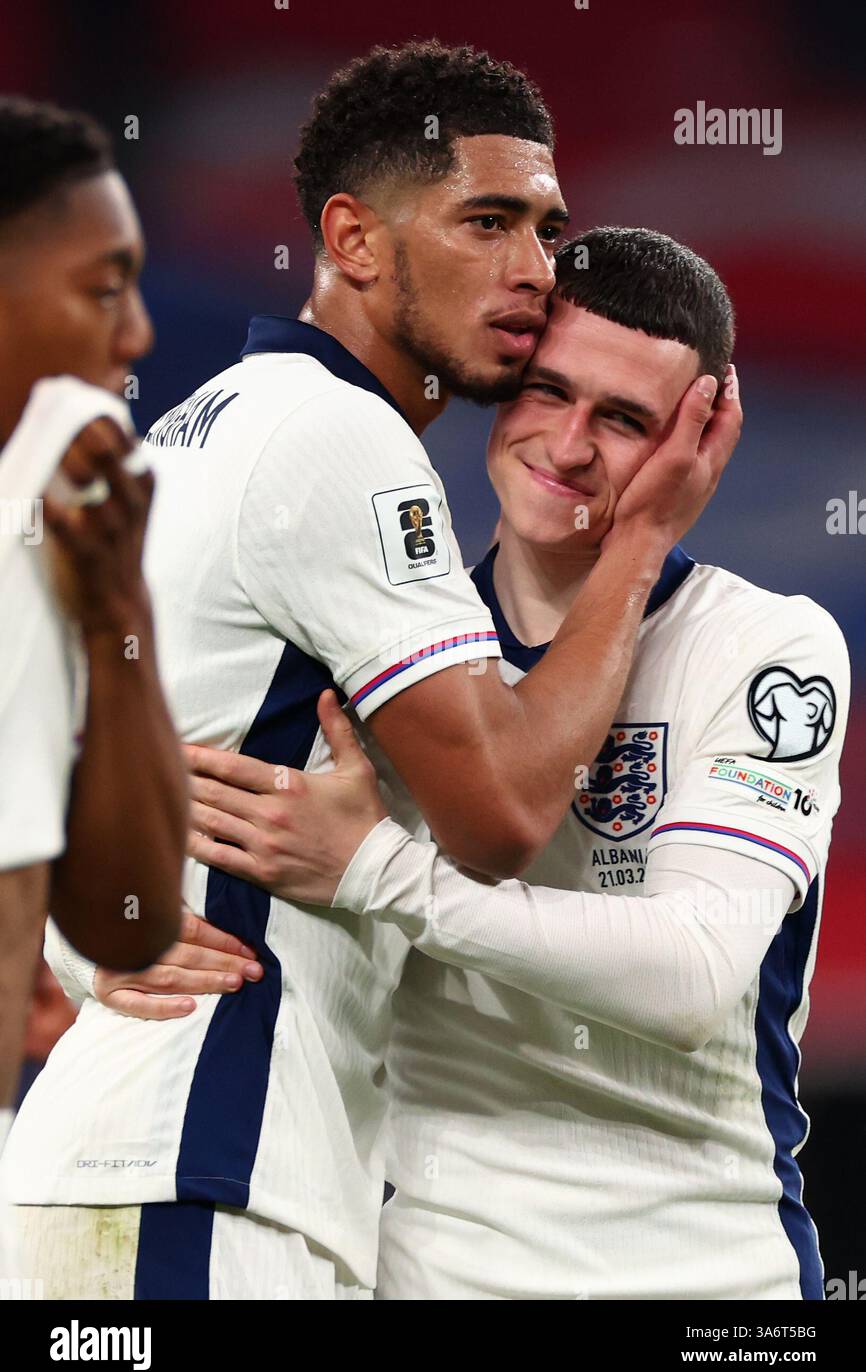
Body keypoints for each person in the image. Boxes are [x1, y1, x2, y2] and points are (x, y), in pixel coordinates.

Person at [3, 46, 738, 1301]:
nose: (531, 270)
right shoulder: (336, 437)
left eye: (547, 231)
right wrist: (642, 538)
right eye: (485, 222)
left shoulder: (185, 438)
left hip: (145, 1165)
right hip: (200, 1169)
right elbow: (503, 813)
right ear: (350, 237)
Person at [104, 230, 848, 1300]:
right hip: (430, 1275)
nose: (571, 444)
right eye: (548, 391)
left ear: (695, 448)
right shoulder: (387, 651)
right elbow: (140, 801)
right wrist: (110, 931)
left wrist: (375, 872)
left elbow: (689, 976)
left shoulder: (762, 644)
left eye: (625, 420)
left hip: (712, 1284)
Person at [0, 98, 186, 1185]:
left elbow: (128, 921)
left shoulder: (52, 547)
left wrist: (119, 615)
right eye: (102, 287)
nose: (136, 335)